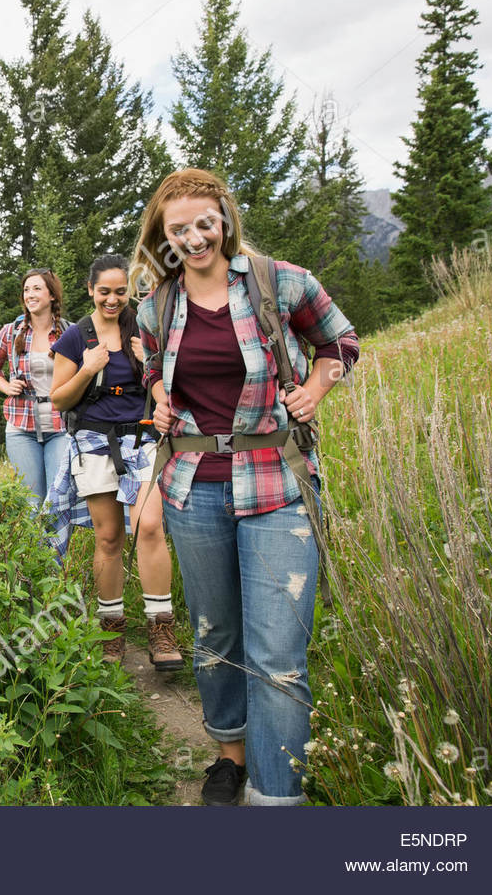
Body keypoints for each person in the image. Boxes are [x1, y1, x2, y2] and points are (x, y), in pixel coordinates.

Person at [131, 168, 359, 806]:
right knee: (216, 634)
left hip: (276, 481)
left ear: (225, 219)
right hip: (192, 488)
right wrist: (158, 395)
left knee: (278, 649)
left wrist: (316, 387)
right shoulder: (157, 304)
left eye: (205, 223)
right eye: (179, 230)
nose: (195, 238)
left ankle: (275, 796)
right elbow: (152, 364)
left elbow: (340, 339)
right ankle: (229, 754)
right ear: (165, 238)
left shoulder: (281, 282)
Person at [46, 255, 181, 672]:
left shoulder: (144, 327)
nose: (112, 299)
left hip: (143, 440)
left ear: (129, 291)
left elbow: (170, 386)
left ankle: (162, 628)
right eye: (104, 291)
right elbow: (59, 398)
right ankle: (112, 630)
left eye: (120, 291)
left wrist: (150, 363)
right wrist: (87, 370)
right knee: (107, 538)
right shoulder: (74, 338)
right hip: (93, 441)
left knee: (150, 526)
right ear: (90, 290)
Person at [0, 268, 71, 509]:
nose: (30, 294)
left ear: (52, 295)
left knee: (57, 500)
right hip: (21, 426)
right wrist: (7, 386)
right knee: (31, 502)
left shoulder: (69, 332)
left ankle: (53, 548)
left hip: (60, 424)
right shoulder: (11, 331)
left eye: (37, 288)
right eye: (26, 290)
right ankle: (33, 548)